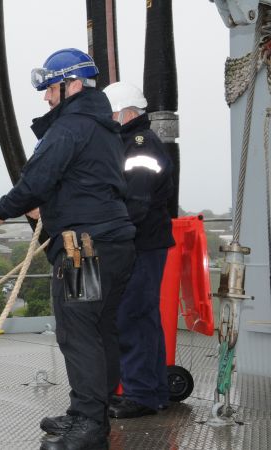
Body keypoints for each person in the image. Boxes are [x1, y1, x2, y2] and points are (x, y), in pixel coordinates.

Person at [0, 48, 135, 450]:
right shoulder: (103, 127)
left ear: (73, 85)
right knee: (100, 329)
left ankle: (89, 425)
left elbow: (37, 178)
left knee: (79, 333)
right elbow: (82, 182)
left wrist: (0, 211)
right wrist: (45, 207)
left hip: (84, 248)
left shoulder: (70, 127)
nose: (47, 97)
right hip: (113, 242)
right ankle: (89, 412)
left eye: (51, 89)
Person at [103, 81, 175, 419]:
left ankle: (141, 395)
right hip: (144, 241)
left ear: (127, 112)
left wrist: (108, 231)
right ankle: (153, 391)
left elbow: (136, 202)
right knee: (144, 318)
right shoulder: (130, 143)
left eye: (111, 113)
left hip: (141, 243)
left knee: (131, 317)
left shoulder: (141, 145)